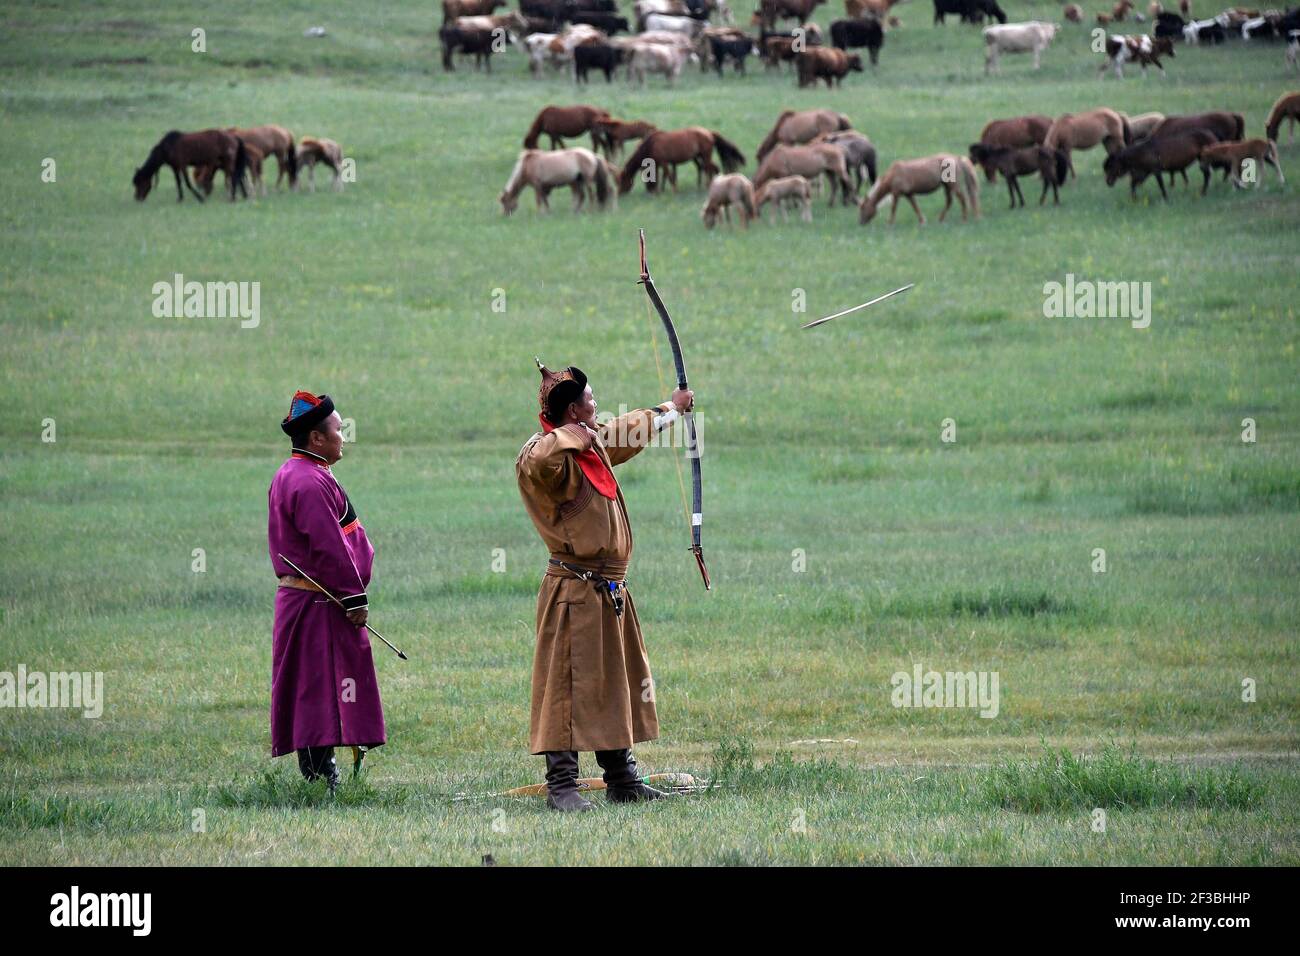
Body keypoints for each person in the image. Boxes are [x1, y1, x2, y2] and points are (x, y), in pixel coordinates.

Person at [516, 362, 693, 811]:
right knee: (567, 686)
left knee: (613, 683)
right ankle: (562, 787)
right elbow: (540, 458)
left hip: (608, 591)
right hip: (573, 591)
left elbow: (628, 429)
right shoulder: (545, 454)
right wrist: (579, 431)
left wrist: (670, 409)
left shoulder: (591, 443)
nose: (599, 406)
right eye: (591, 400)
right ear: (573, 409)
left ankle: (621, 778)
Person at [268, 391, 386, 791]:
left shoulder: (293, 473)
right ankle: (323, 780)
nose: (343, 437)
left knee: (311, 689)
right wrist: (354, 598)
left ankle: (321, 778)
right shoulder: (311, 481)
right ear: (316, 439)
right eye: (338, 431)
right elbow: (331, 549)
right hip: (317, 602)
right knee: (319, 690)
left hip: (306, 600)